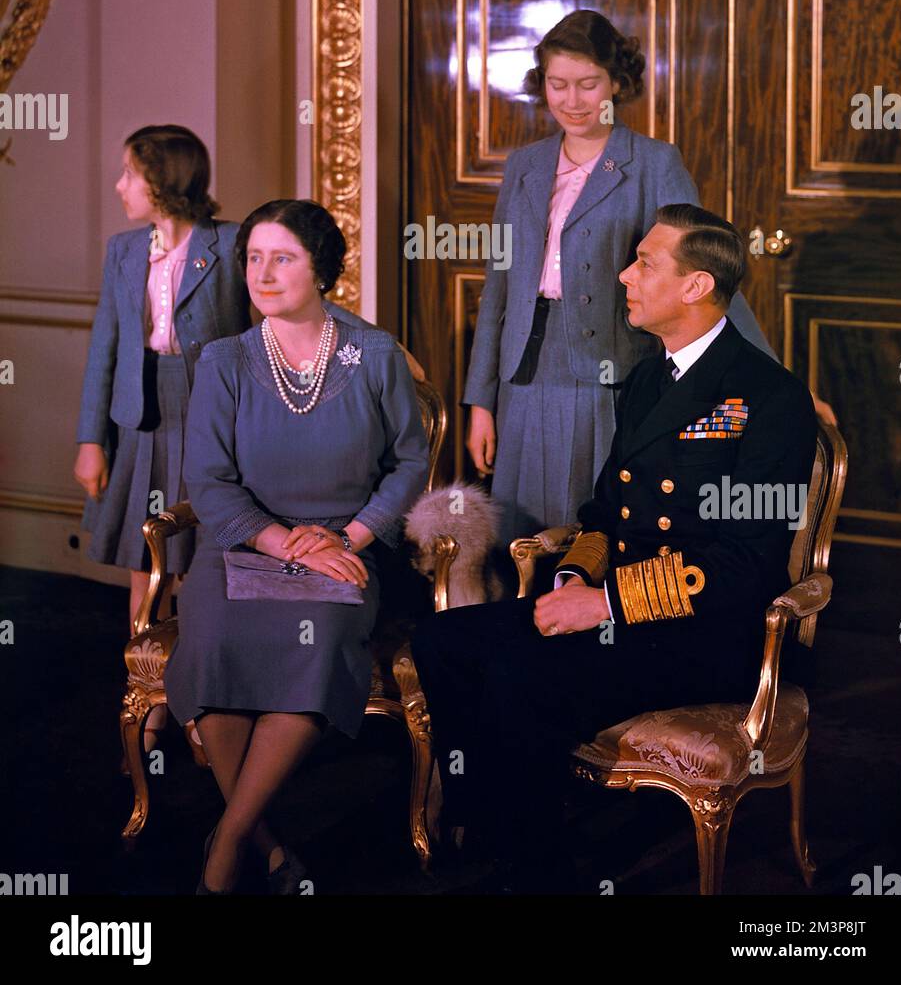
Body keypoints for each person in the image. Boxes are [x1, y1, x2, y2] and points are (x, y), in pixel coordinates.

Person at [412, 203, 818, 894]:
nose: (625, 275)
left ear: (695, 287)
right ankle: (496, 830)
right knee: (442, 640)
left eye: (645, 263)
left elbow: (749, 566)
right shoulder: (649, 379)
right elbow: (604, 513)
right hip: (614, 608)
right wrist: (572, 579)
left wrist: (602, 605)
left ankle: (536, 873)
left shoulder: (768, 397)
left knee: (520, 679)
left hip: (699, 633)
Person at [463, 9, 830, 548]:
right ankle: (525, 623)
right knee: (518, 532)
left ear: (617, 82)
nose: (572, 100)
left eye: (588, 84)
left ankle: (585, 621)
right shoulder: (524, 164)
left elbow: (706, 272)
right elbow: (499, 287)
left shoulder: (653, 162)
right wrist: (480, 401)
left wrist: (781, 384)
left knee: (589, 523)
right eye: (558, 84)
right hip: (524, 373)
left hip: (608, 368)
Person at [163, 199, 429, 894]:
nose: (262, 272)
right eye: (253, 257)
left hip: (344, 550)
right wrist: (283, 541)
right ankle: (261, 842)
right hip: (242, 548)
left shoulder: (372, 354)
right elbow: (209, 482)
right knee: (214, 648)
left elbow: (409, 462)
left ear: (322, 269)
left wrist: (351, 536)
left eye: (281, 257)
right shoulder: (223, 362)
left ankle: (223, 850)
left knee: (313, 650)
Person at [74, 125, 250, 749]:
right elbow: (105, 347)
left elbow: (277, 318)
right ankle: (147, 699)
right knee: (144, 564)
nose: (120, 185)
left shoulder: (229, 245)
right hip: (141, 417)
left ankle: (202, 706)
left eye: (129, 174)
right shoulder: (123, 250)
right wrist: (90, 440)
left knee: (200, 559)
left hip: (209, 415)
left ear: (162, 182)